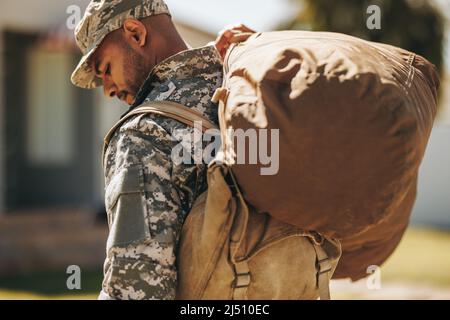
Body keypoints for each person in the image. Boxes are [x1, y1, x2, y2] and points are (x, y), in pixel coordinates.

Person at [71, 0, 253, 300]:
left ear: (134, 33)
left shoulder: (144, 133)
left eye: (105, 68)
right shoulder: (242, 85)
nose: (108, 89)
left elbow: (137, 290)